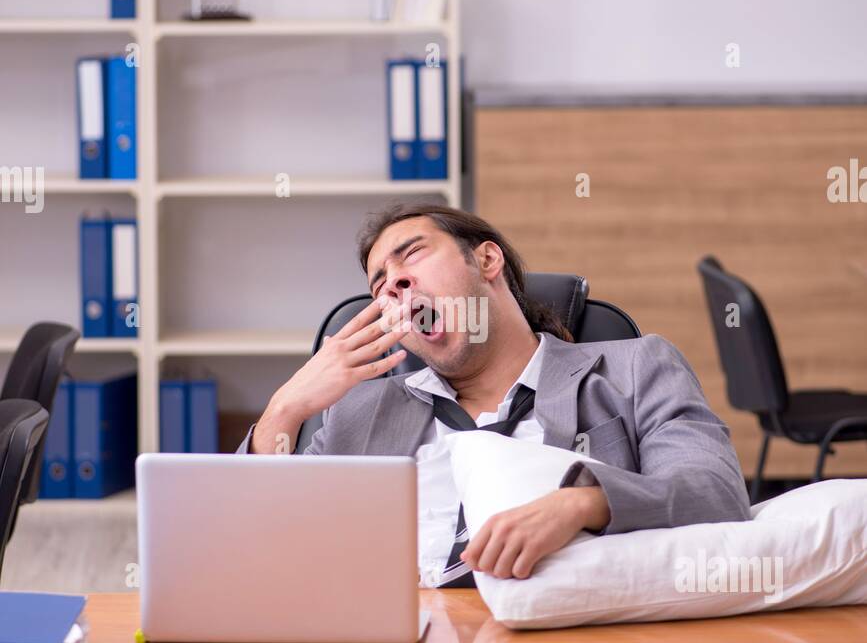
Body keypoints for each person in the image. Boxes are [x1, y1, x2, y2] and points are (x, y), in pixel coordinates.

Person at [239, 203, 750, 586]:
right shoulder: (362, 410)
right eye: (381, 287)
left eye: (411, 255)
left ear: (486, 260)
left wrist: (582, 505)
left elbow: (715, 493)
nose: (395, 284)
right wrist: (285, 409)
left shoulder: (635, 368)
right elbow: (257, 547)